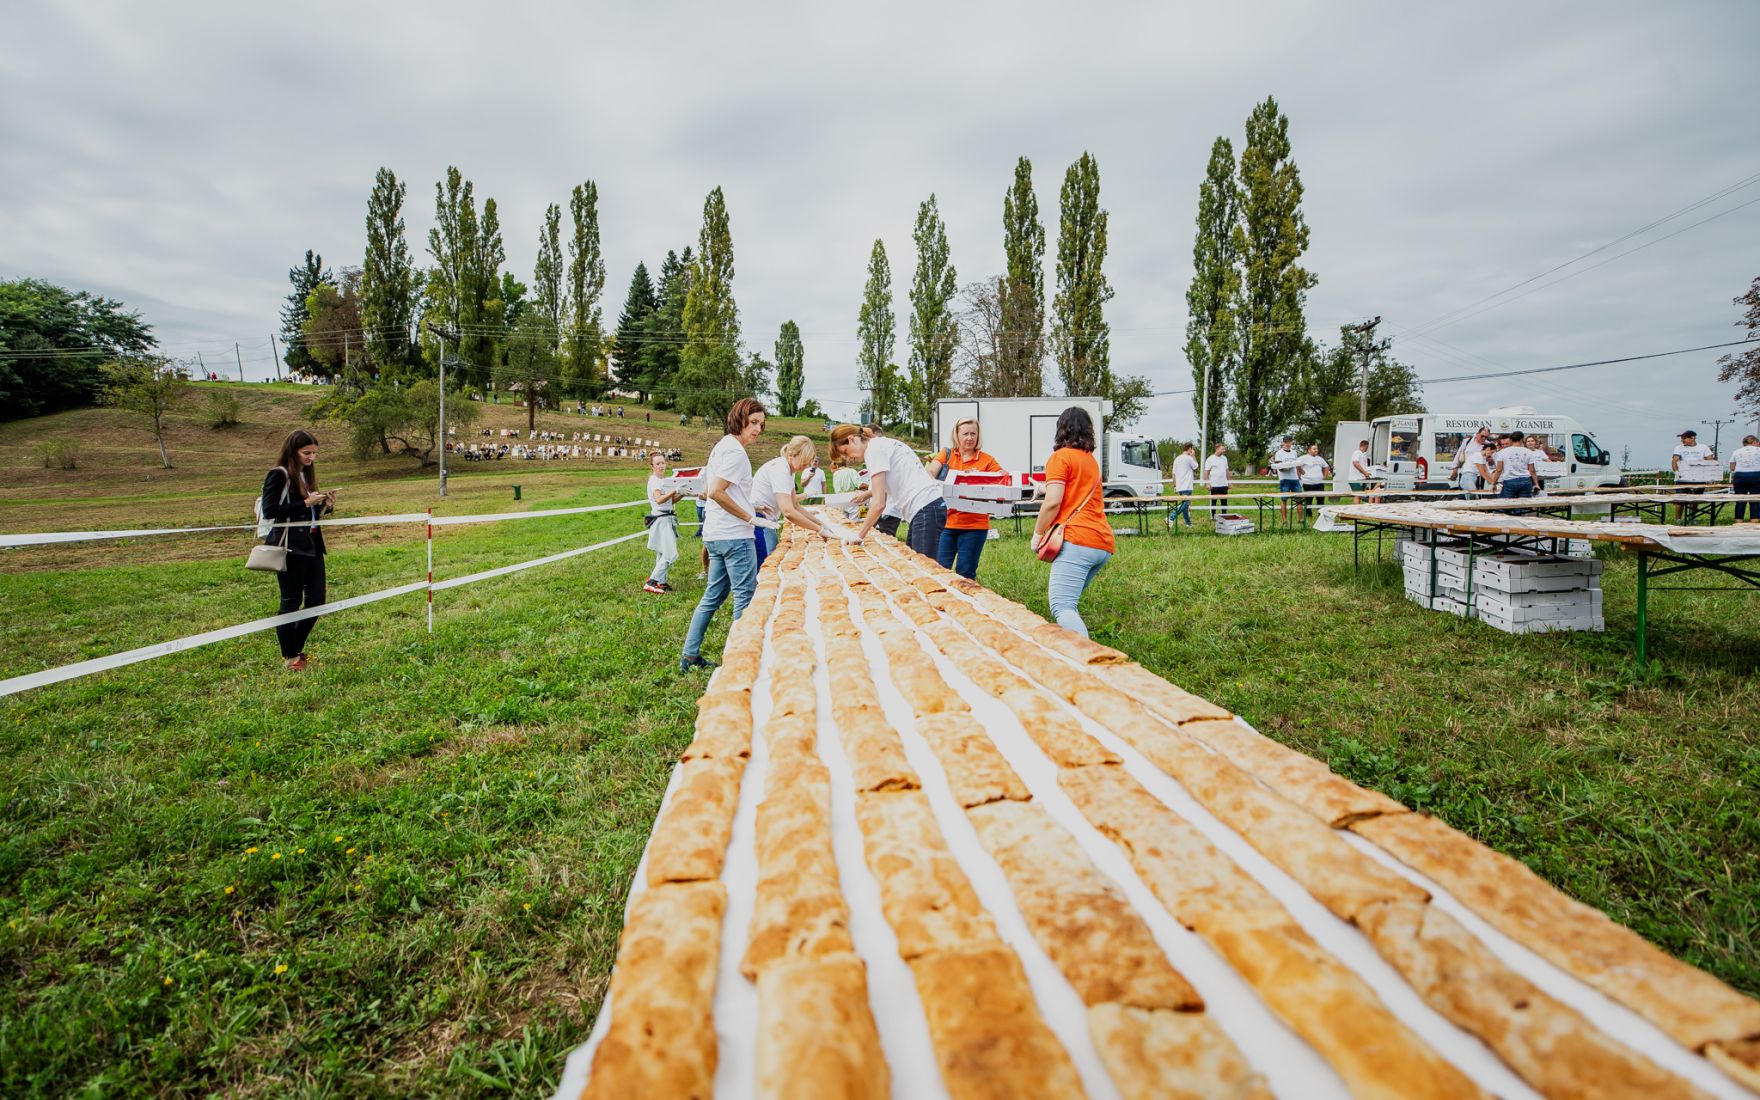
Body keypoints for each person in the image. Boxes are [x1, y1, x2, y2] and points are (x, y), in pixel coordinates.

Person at [680, 398, 768, 673]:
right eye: (753, 422)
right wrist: (749, 518)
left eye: (761, 425)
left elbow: (713, 491)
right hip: (735, 536)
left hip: (716, 534)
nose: (757, 429)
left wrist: (751, 505)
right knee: (746, 597)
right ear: (739, 417)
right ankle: (742, 663)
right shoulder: (735, 452)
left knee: (713, 596)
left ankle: (690, 655)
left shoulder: (721, 447)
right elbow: (716, 492)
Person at [1031, 407, 1113, 638]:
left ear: (1061, 429)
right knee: (1070, 604)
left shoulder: (1060, 457)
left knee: (1062, 607)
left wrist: (1037, 535)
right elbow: (1073, 491)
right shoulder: (1090, 461)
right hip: (1101, 542)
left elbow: (1053, 503)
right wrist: (1044, 487)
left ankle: (1086, 662)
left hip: (1077, 541)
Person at [261, 429, 336, 671]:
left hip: (313, 545)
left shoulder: (306, 475)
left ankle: (295, 648)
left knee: (317, 601)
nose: (311, 457)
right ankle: (291, 657)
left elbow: (309, 516)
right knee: (290, 602)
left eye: (314, 453)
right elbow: (270, 510)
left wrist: (325, 505)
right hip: (290, 547)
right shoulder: (278, 474)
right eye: (306, 453)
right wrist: (305, 503)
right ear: (293, 451)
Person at [830, 423, 945, 556]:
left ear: (852, 439)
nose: (849, 458)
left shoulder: (873, 450)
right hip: (925, 507)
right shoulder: (880, 445)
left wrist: (859, 535)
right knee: (915, 561)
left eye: (845, 452)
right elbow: (880, 496)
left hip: (925, 506)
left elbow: (878, 504)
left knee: (925, 568)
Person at [927, 416, 1005, 579]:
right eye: (965, 434)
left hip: (974, 526)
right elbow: (928, 475)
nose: (969, 438)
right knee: (939, 572)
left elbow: (1002, 479)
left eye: (973, 434)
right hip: (945, 523)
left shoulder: (987, 460)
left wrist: (980, 477)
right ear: (957, 435)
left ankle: (966, 603)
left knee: (965, 574)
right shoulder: (946, 455)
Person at [750, 436, 838, 562]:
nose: (806, 465)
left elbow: (794, 504)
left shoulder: (789, 471)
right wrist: (820, 530)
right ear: (792, 455)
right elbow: (789, 511)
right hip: (758, 521)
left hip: (766, 520)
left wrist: (819, 523)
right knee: (763, 566)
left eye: (808, 462)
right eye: (804, 461)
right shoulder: (780, 469)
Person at [643, 453, 681, 595]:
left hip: (666, 517)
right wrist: (674, 491)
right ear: (652, 465)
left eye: (663, 463)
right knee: (671, 553)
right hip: (661, 519)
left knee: (662, 552)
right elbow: (659, 500)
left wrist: (682, 493)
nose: (661, 466)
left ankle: (661, 582)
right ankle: (652, 581)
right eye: (658, 463)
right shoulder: (654, 481)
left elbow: (669, 501)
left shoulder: (663, 480)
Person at [1672, 429, 1716, 521]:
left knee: (1695, 499)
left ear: (1692, 438)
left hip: (1699, 478)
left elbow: (1710, 460)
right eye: (1681, 438)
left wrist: (1710, 474)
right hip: (1682, 479)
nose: (1682, 440)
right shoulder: (1679, 448)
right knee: (1680, 500)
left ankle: (1692, 518)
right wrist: (1676, 472)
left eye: (1684, 438)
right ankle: (1678, 520)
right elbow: (1675, 460)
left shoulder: (1703, 447)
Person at [1491, 432, 1539, 500]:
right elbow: (1532, 470)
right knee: (1524, 504)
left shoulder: (1503, 452)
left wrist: (1493, 483)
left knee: (1506, 503)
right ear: (1522, 440)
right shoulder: (1528, 452)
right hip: (1525, 480)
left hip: (1509, 480)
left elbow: (1499, 470)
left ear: (1511, 440)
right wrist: (1536, 484)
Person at [1295, 443, 1330, 520]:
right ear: (1309, 450)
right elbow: (1297, 466)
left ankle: (1321, 515)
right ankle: (1308, 515)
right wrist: (1300, 476)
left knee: (1320, 500)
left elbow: (1326, 466)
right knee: (1308, 500)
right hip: (1308, 483)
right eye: (1314, 449)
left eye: (1317, 449)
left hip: (1319, 483)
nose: (1316, 450)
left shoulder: (1320, 459)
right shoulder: (1303, 458)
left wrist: (1325, 476)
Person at [1167, 443, 1199, 527]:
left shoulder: (1177, 459)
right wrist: (1193, 456)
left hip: (1179, 486)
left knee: (1185, 504)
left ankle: (1188, 523)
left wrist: (1175, 485)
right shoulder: (1189, 458)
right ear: (1190, 449)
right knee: (1186, 504)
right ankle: (1171, 518)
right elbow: (1196, 467)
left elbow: (1173, 473)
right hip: (1187, 485)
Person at [1730, 434, 1760, 522]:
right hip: (1756, 475)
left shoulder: (1737, 451)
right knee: (1755, 500)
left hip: (1740, 475)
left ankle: (1739, 522)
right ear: (1754, 442)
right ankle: (1754, 522)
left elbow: (1732, 466)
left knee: (1740, 500)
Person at [1270, 435, 1300, 521]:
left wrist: (1299, 476)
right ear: (1283, 442)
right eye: (1286, 442)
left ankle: (1301, 519)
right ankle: (1284, 520)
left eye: (1289, 442)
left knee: (1299, 499)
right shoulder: (1279, 453)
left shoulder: (1294, 452)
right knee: (1284, 500)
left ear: (1291, 442)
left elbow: (1297, 465)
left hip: (1294, 479)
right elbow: (1280, 467)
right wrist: (1287, 467)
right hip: (1284, 479)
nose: (1288, 444)